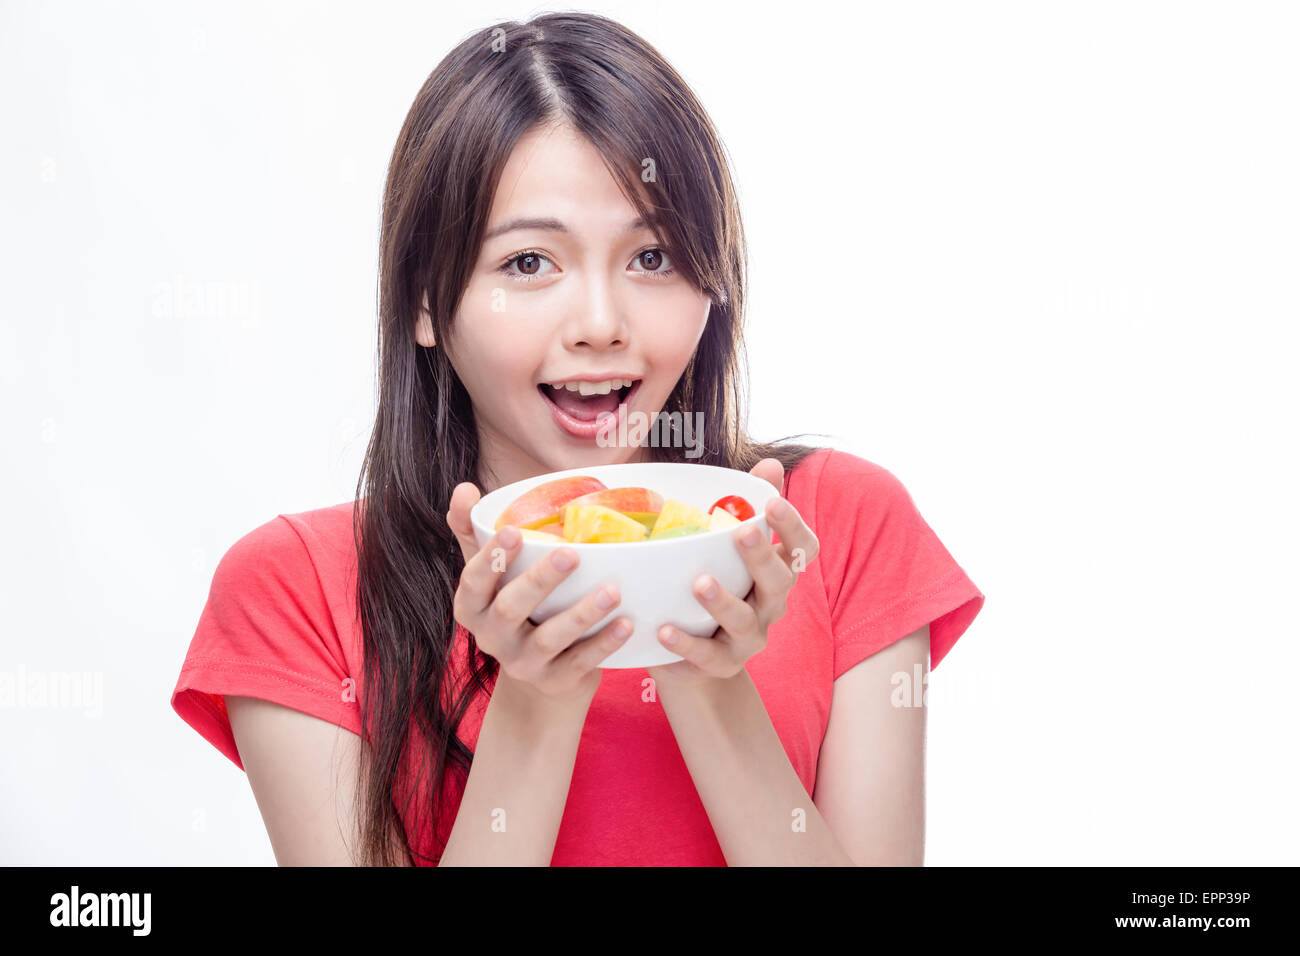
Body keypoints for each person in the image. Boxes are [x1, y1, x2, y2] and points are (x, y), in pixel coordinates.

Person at [170, 12, 985, 866]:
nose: (601, 325)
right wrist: (534, 698)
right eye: (529, 264)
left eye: (654, 257)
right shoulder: (295, 589)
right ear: (422, 301)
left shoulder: (838, 528)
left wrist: (704, 673)